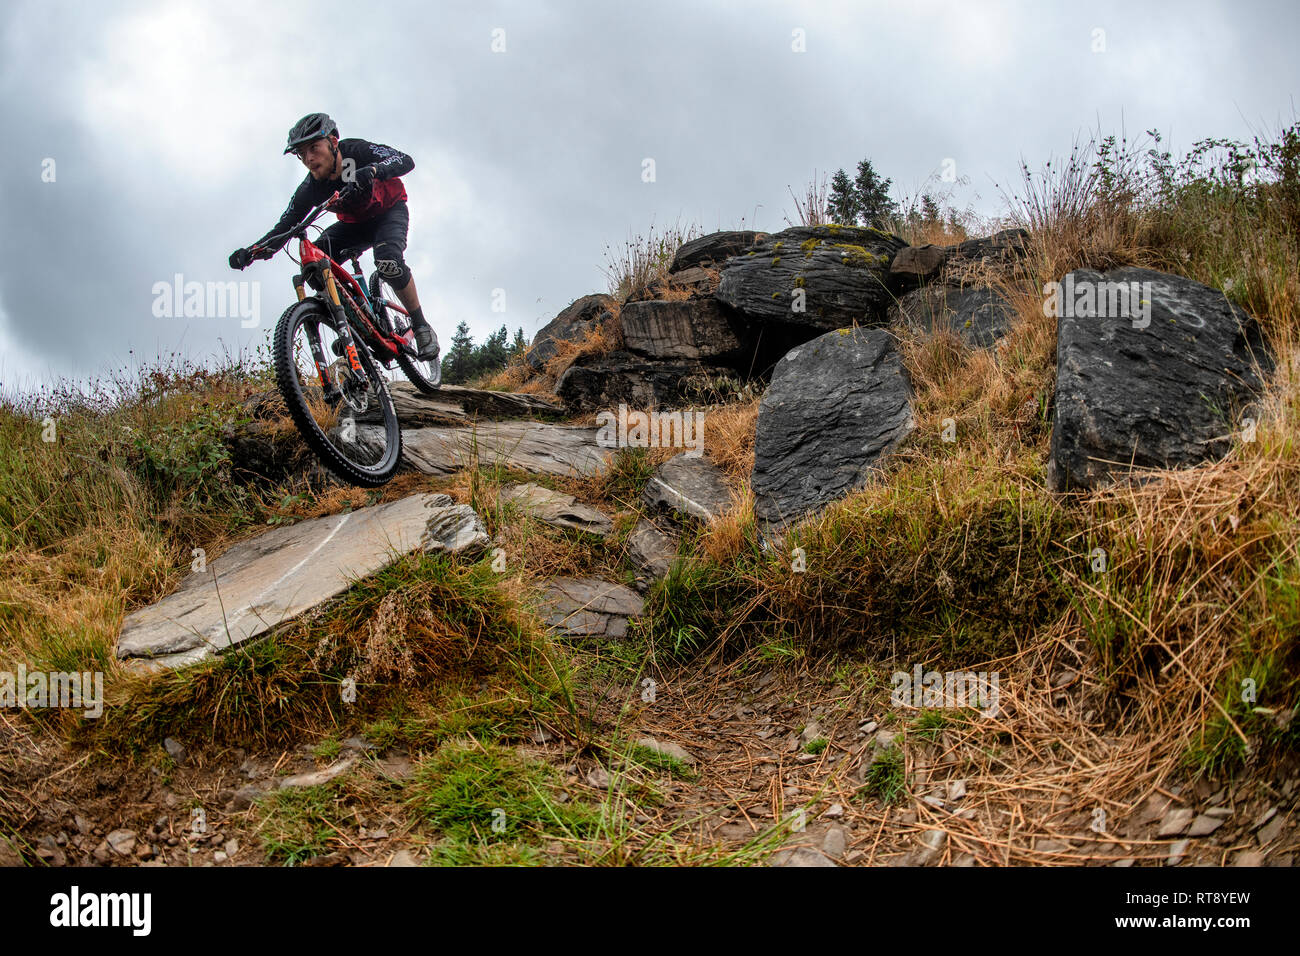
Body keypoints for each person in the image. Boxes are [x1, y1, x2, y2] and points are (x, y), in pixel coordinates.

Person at [228, 112, 439, 361]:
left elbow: (404, 160)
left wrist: (372, 169)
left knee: (388, 261)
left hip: (388, 212)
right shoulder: (311, 188)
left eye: (314, 148)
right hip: (354, 225)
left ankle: (421, 326)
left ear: (333, 142)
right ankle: (357, 320)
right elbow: (284, 226)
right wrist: (252, 252)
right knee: (315, 265)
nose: (308, 158)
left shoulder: (355, 151)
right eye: (301, 153)